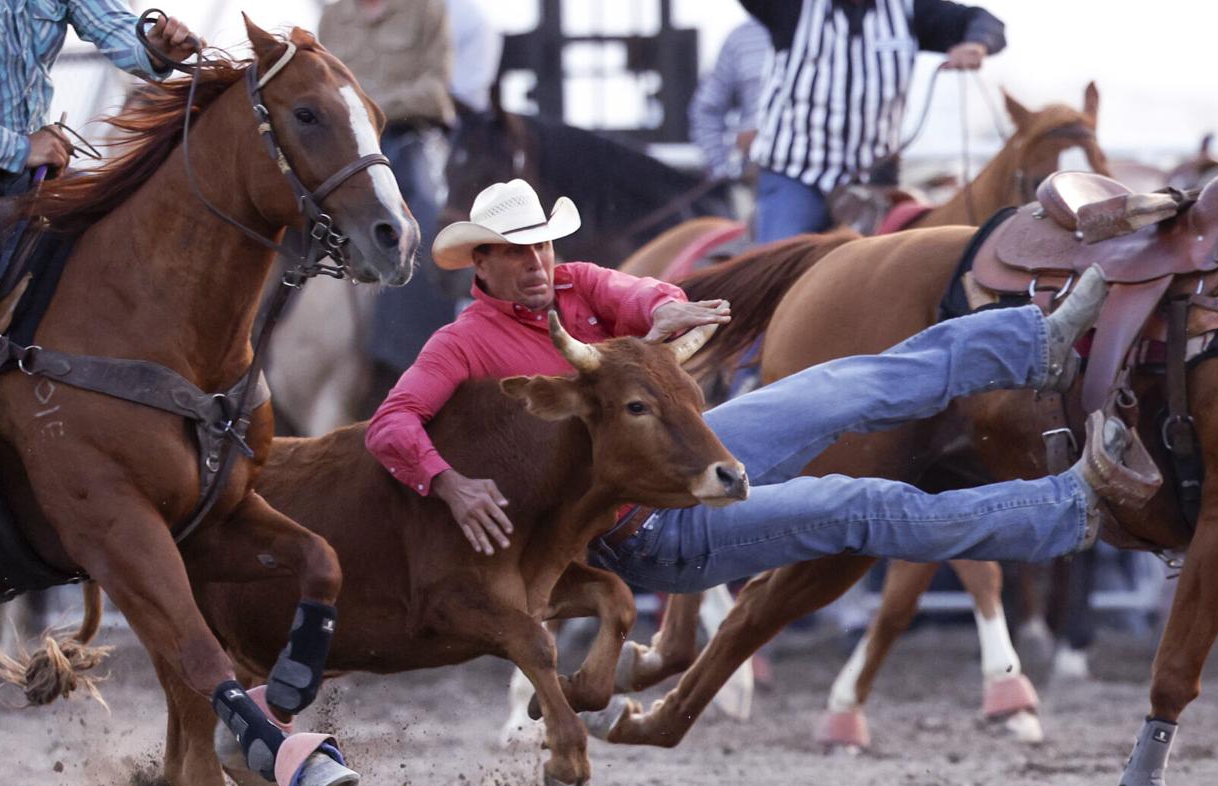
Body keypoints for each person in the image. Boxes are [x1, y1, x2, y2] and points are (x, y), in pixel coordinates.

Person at [365, 178, 1146, 595]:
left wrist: (670, 310)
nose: (537, 263)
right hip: (643, 531)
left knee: (845, 381)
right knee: (859, 504)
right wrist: (451, 484)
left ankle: (1035, 343)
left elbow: (638, 295)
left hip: (690, 449)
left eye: (542, 245)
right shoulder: (461, 345)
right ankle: (1065, 510)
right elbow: (390, 425)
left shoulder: (576, 282)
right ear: (482, 266)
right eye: (516, 251)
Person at [0, 3, 198, 535]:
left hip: (33, 164)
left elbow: (117, 28)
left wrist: (158, 52)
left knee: (97, 254)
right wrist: (17, 147)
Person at [743, 0, 1006, 243]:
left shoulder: (909, 9)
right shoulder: (791, 8)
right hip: (796, 176)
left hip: (875, 182)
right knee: (781, 267)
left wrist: (976, 44)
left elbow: (983, 21)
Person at [319, 0, 457, 404]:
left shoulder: (427, 10)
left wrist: (366, 109)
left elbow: (435, 90)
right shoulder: (332, 17)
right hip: (342, 149)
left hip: (406, 139)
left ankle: (408, 356)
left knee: (426, 218)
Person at [688, 18, 772, 185]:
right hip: (757, 178)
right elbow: (706, 110)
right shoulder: (742, 37)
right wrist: (723, 171)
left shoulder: (834, 24)